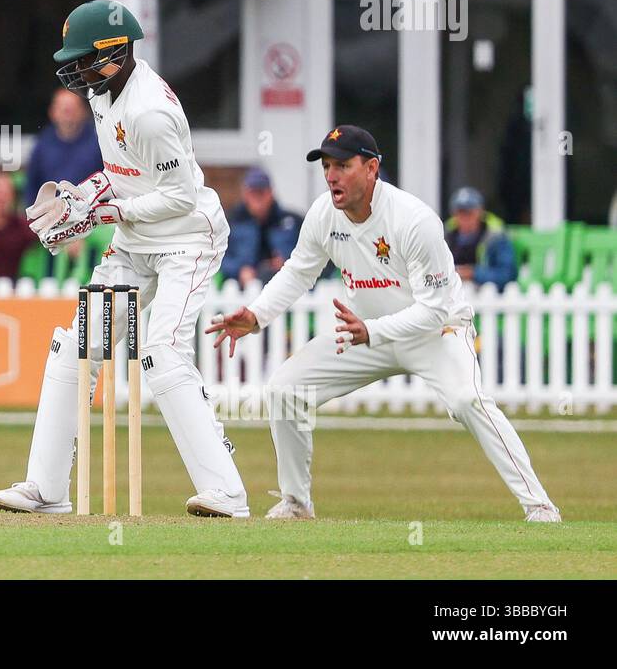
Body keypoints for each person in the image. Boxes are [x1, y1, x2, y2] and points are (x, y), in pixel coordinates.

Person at [206, 125, 560, 523]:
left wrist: (373, 330)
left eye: (342, 165)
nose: (331, 176)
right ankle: (296, 503)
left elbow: (434, 310)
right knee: (287, 390)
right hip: (366, 332)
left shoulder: (414, 220)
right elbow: (298, 272)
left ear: (372, 168)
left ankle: (540, 506)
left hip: (435, 332)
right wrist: (256, 315)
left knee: (467, 400)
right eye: (326, 166)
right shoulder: (324, 214)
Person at [0, 0, 248, 518]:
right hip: (135, 239)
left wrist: (107, 212)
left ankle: (227, 493)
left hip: (186, 240)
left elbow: (179, 197)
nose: (76, 71)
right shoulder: (104, 94)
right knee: (77, 347)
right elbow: (122, 172)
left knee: (163, 352)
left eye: (84, 60)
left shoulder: (149, 112)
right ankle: (46, 488)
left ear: (116, 53)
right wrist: (81, 198)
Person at [220, 167, 302, 286]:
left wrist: (287, 263)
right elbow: (218, 257)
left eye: (261, 192)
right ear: (245, 195)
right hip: (241, 290)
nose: (257, 198)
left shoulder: (292, 221)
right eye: (253, 193)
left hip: (283, 287)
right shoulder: (231, 222)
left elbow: (308, 255)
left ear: (270, 193)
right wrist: (240, 270)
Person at [24, 87, 103, 206]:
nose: (68, 115)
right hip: (51, 217)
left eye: (72, 109)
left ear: (84, 111)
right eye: (63, 110)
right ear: (52, 112)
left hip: (92, 215)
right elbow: (32, 186)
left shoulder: (99, 143)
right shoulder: (42, 144)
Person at [445, 186, 516, 291]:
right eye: (460, 212)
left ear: (480, 211)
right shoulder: (446, 236)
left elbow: (507, 274)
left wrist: (473, 273)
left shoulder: (496, 237)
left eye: (469, 212)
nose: (465, 218)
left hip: (488, 297)